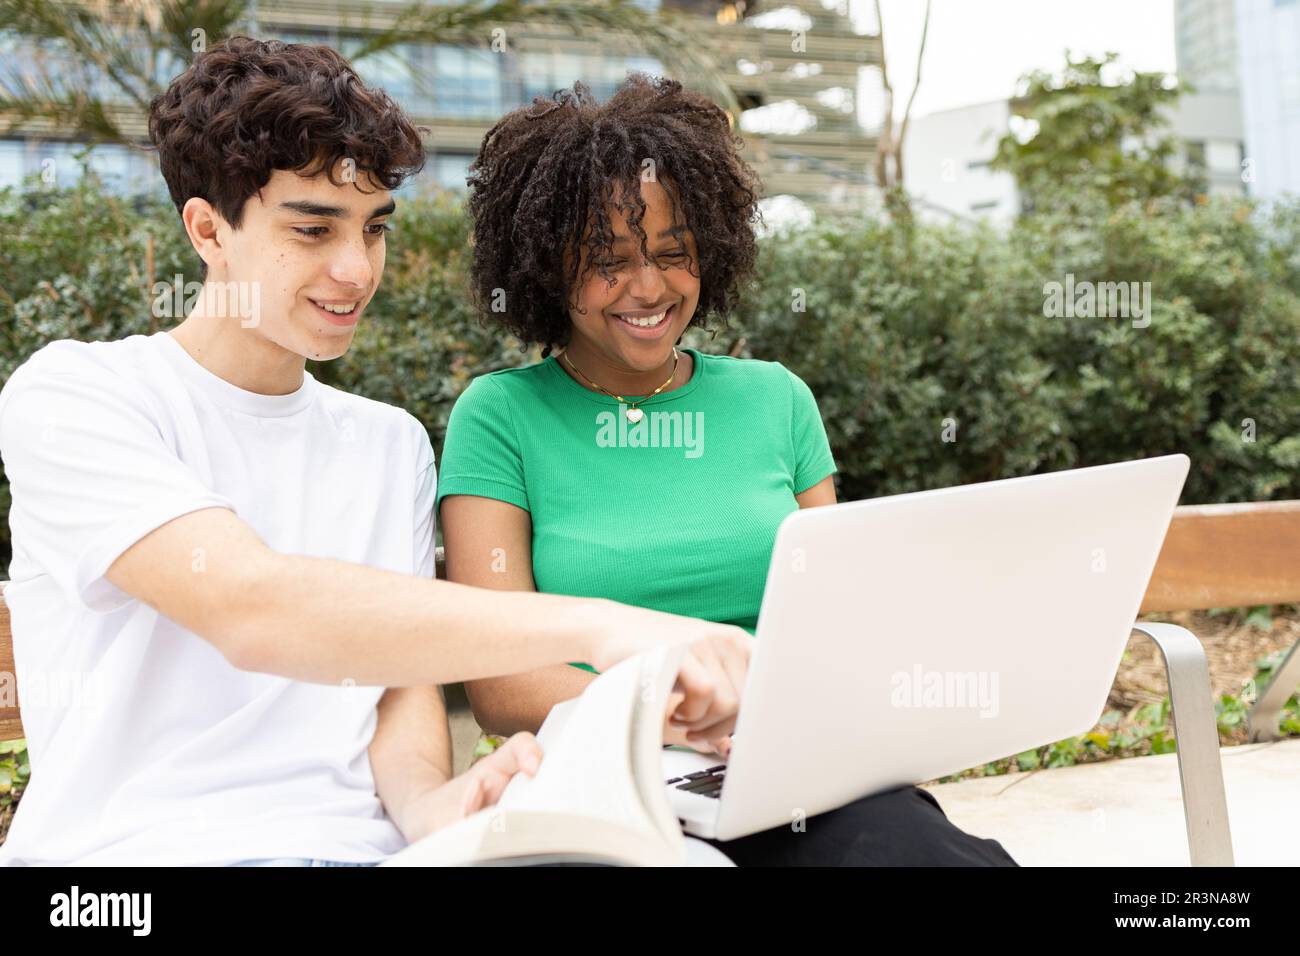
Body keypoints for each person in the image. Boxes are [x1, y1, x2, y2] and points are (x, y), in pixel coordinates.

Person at [0, 39, 749, 867]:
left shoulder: (387, 442)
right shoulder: (77, 395)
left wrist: (435, 802)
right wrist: (609, 630)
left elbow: (399, 686)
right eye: (313, 229)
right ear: (209, 230)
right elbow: (253, 609)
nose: (355, 269)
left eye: (373, 229)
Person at [438, 76, 1017, 866]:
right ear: (546, 266)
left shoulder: (775, 400)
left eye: (673, 254)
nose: (649, 288)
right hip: (601, 773)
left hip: (786, 762)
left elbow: (834, 618)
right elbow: (502, 686)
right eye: (608, 261)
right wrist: (687, 714)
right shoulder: (500, 417)